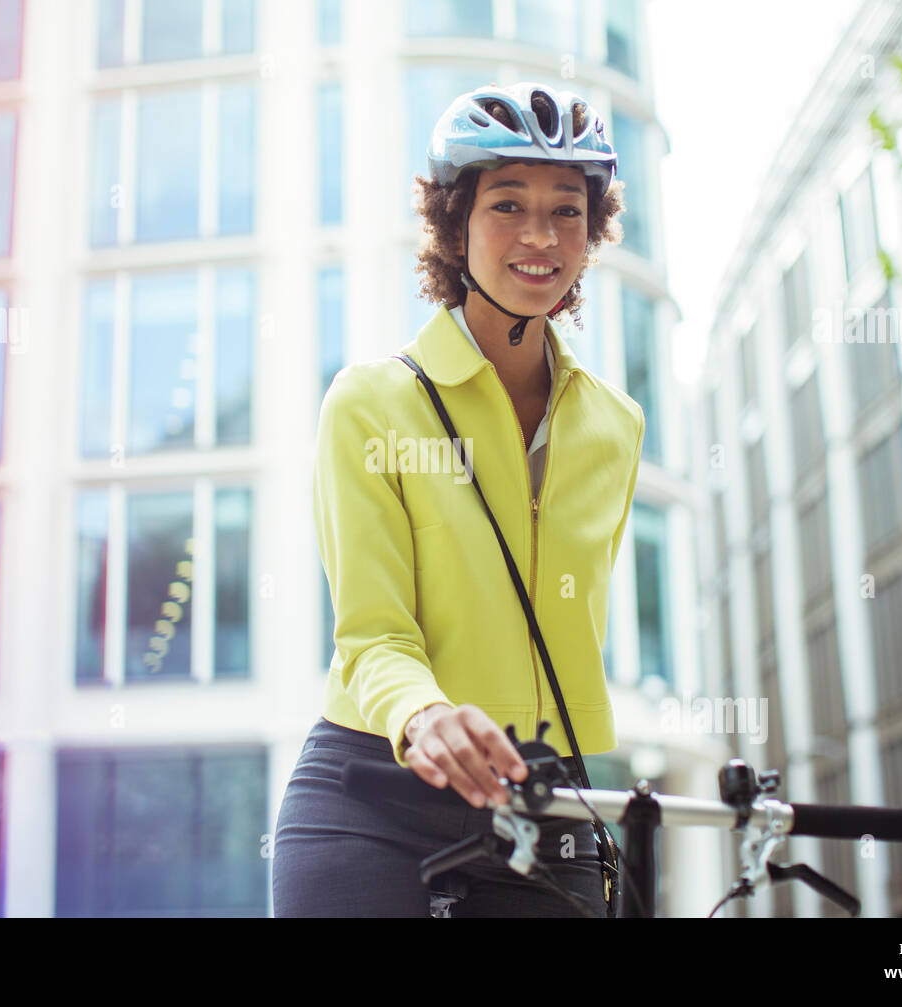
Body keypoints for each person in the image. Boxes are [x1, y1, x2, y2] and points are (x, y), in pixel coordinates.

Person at [272, 81, 646, 917]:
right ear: (454, 224)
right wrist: (428, 713)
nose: (540, 236)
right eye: (506, 204)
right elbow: (373, 636)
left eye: (568, 211)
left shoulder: (616, 427)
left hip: (546, 806)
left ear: (593, 234)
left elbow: (566, 634)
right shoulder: (369, 403)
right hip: (375, 798)